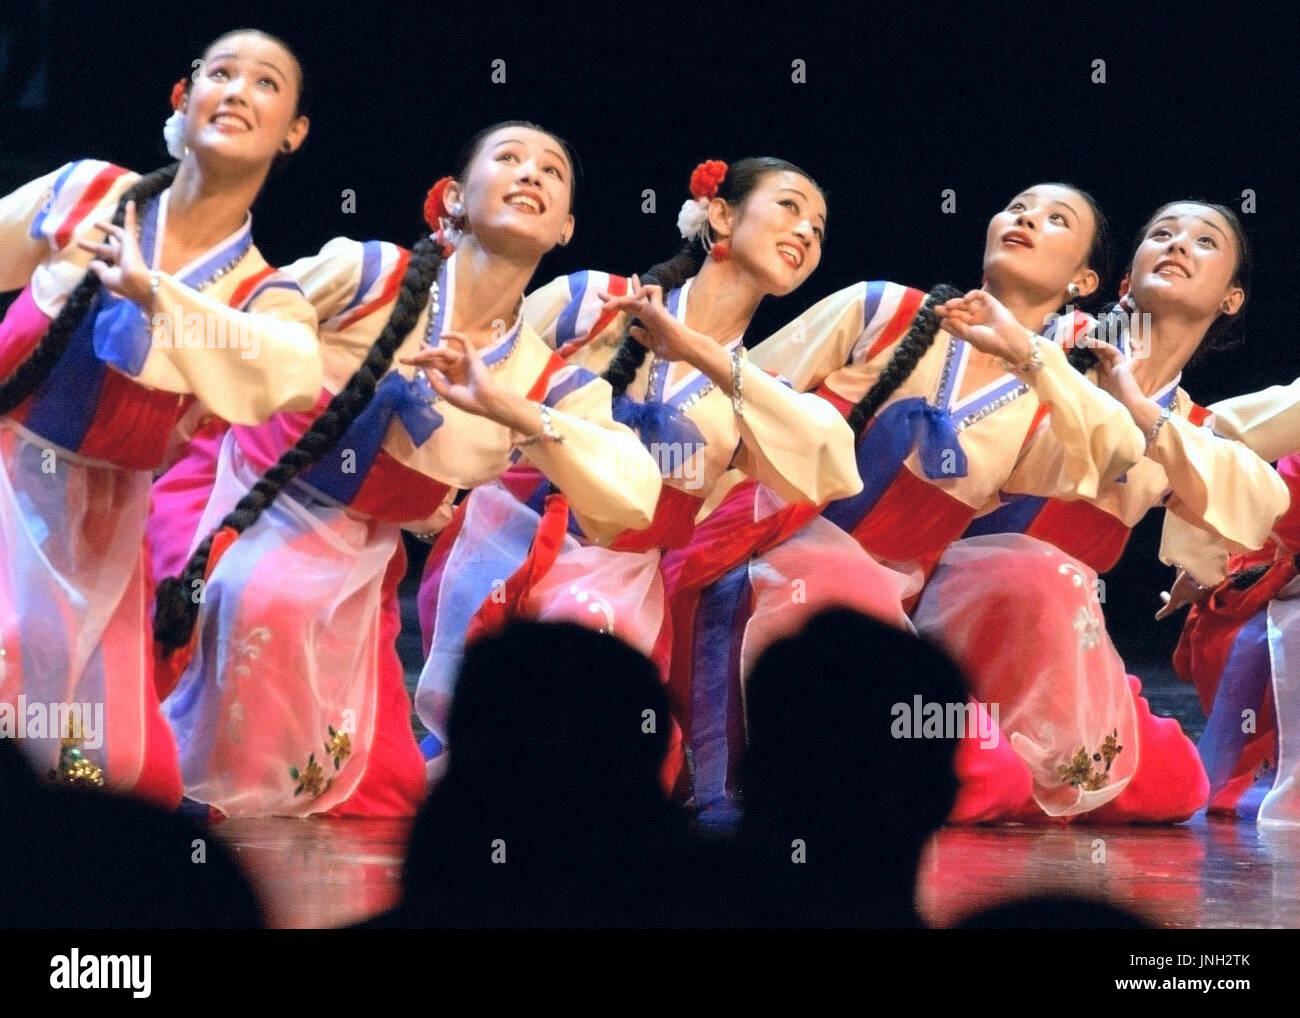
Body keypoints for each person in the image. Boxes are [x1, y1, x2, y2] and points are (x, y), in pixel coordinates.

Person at [154, 122, 662, 818]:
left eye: (551, 171)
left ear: (567, 228)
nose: (530, 175)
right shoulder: (371, 275)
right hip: (233, 500)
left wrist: (509, 410)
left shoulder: (538, 375)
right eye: (508, 159)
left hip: (355, 566)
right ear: (454, 197)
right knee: (263, 601)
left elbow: (634, 492)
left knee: (376, 799)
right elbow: (234, 322)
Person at [665, 184, 1146, 822]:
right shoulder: (882, 310)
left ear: (1084, 280)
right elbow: (736, 396)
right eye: (1019, 206)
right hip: (775, 561)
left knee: (994, 772)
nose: (1028, 217)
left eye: (1057, 220)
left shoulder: (1046, 402)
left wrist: (1031, 356)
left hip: (899, 602)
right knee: (841, 593)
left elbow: (1120, 451)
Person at [415, 158, 863, 785]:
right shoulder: (592, 300)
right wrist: (427, 493)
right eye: (790, 207)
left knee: (586, 633)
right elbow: (471, 376)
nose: (807, 232)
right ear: (723, 213)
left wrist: (699, 353)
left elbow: (834, 467)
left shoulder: (756, 392)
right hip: (505, 541)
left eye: (819, 226)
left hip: (620, 578)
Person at [0, 28, 319, 807]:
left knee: (120, 772)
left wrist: (157, 298)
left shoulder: (261, 293)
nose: (239, 91)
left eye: (267, 83)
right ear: (185, 97)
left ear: (295, 133)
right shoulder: (86, 193)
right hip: (8, 480)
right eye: (221, 73)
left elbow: (289, 373)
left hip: (108, 530)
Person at [915, 201, 1287, 822]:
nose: (1177, 246)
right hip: (962, 591)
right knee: (1039, 577)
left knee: (1175, 785)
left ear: (1231, 298)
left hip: (1055, 625)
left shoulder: (1184, 426)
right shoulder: (1050, 344)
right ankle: (982, 748)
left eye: (1204, 241)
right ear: (1124, 279)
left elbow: (1256, 500)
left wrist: (1144, 412)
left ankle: (1014, 753)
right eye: (1161, 234)